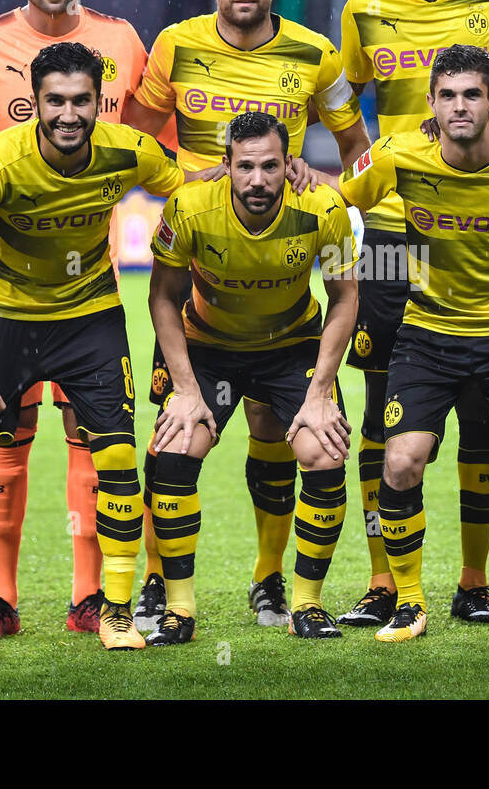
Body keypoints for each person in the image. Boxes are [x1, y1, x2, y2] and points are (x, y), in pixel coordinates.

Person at [123, 0, 369, 627]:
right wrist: (190, 179)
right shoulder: (177, 45)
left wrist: (321, 190)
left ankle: (271, 583)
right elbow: (135, 144)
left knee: (277, 437)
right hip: (202, 268)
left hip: (285, 276)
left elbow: (358, 153)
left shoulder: (315, 55)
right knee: (172, 439)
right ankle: (158, 583)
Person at [0, 0, 156, 640]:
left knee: (97, 445)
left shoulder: (122, 41)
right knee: (3, 442)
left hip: (91, 283)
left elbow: (157, 144)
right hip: (5, 285)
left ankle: (92, 598)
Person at [331, 44, 489, 643]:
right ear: (430, 105)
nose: (460, 106)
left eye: (473, 94)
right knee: (400, 460)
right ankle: (409, 604)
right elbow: (336, 200)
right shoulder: (396, 155)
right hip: (428, 334)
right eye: (448, 95)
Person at [336, 0, 489, 628]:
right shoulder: (365, 9)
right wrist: (365, 168)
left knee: (483, 412)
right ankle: (385, 581)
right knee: (384, 413)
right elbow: (343, 103)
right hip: (390, 237)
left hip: (479, 234)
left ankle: (474, 582)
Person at [144, 111, 359, 644]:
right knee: (174, 447)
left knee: (324, 451)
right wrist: (187, 391)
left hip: (290, 346)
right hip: (207, 348)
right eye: (245, 167)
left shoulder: (323, 208)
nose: (258, 180)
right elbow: (161, 298)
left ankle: (299, 600)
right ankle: (178, 606)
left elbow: (346, 297)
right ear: (226, 166)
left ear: (290, 164)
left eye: (269, 166)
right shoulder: (190, 208)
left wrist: (319, 393)